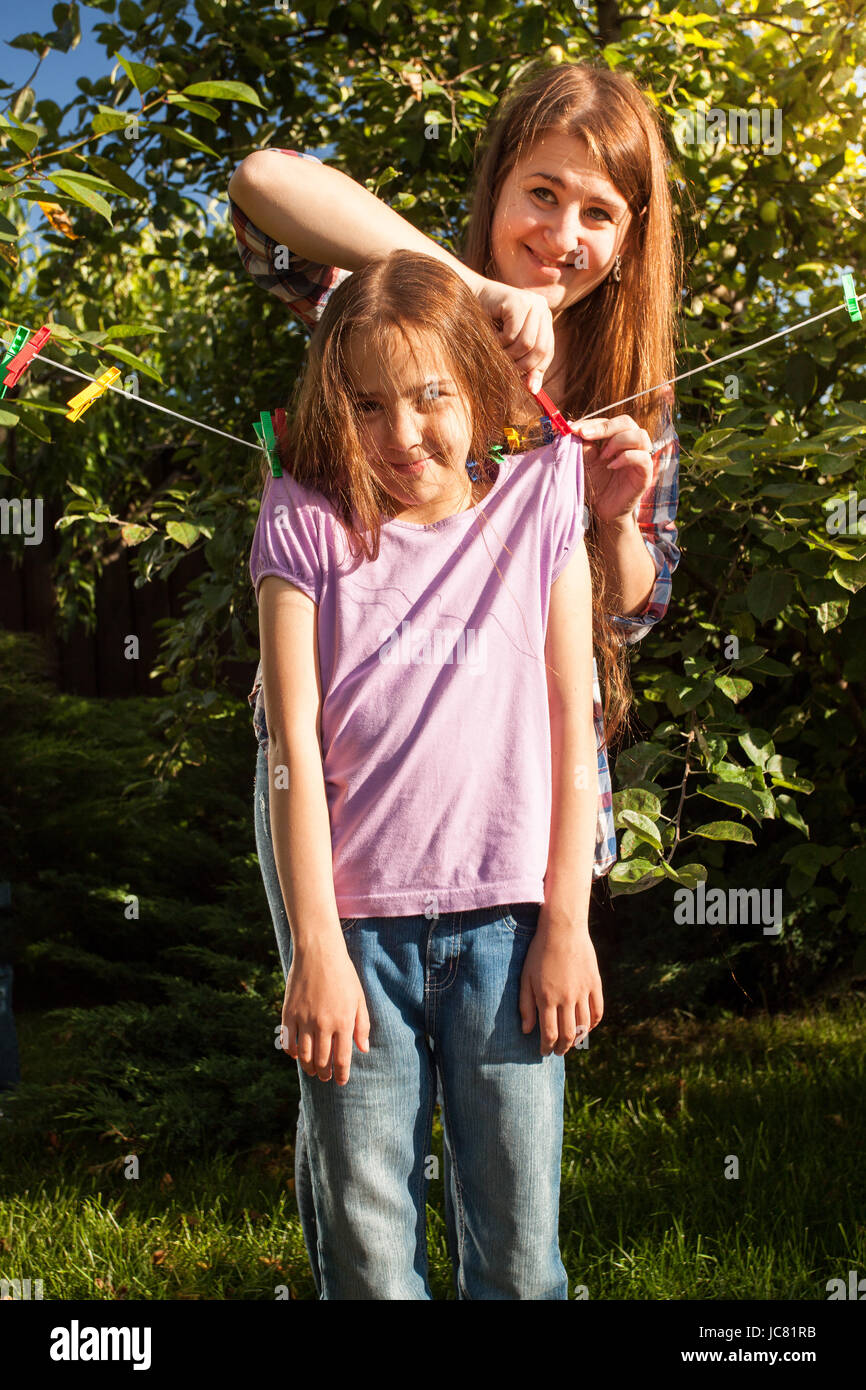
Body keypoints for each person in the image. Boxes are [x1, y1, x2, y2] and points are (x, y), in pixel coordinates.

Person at [229, 58, 682, 1296]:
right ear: (493, 193)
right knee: (369, 1226)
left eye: (599, 214)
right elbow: (262, 181)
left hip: (513, 823)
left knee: (513, 1216)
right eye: (543, 196)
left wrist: (616, 516)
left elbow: (635, 609)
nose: (564, 234)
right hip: (360, 826)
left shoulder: (620, 384)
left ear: (628, 238)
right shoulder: (404, 308)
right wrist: (466, 289)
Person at [250, 246, 621, 1298]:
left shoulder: (537, 501)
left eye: (430, 396)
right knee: (369, 1256)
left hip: (509, 931)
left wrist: (565, 921)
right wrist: (313, 946)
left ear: (479, 387)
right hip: (356, 942)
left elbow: (569, 712)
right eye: (366, 406)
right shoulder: (304, 520)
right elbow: (290, 746)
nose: (402, 435)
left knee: (516, 1250)